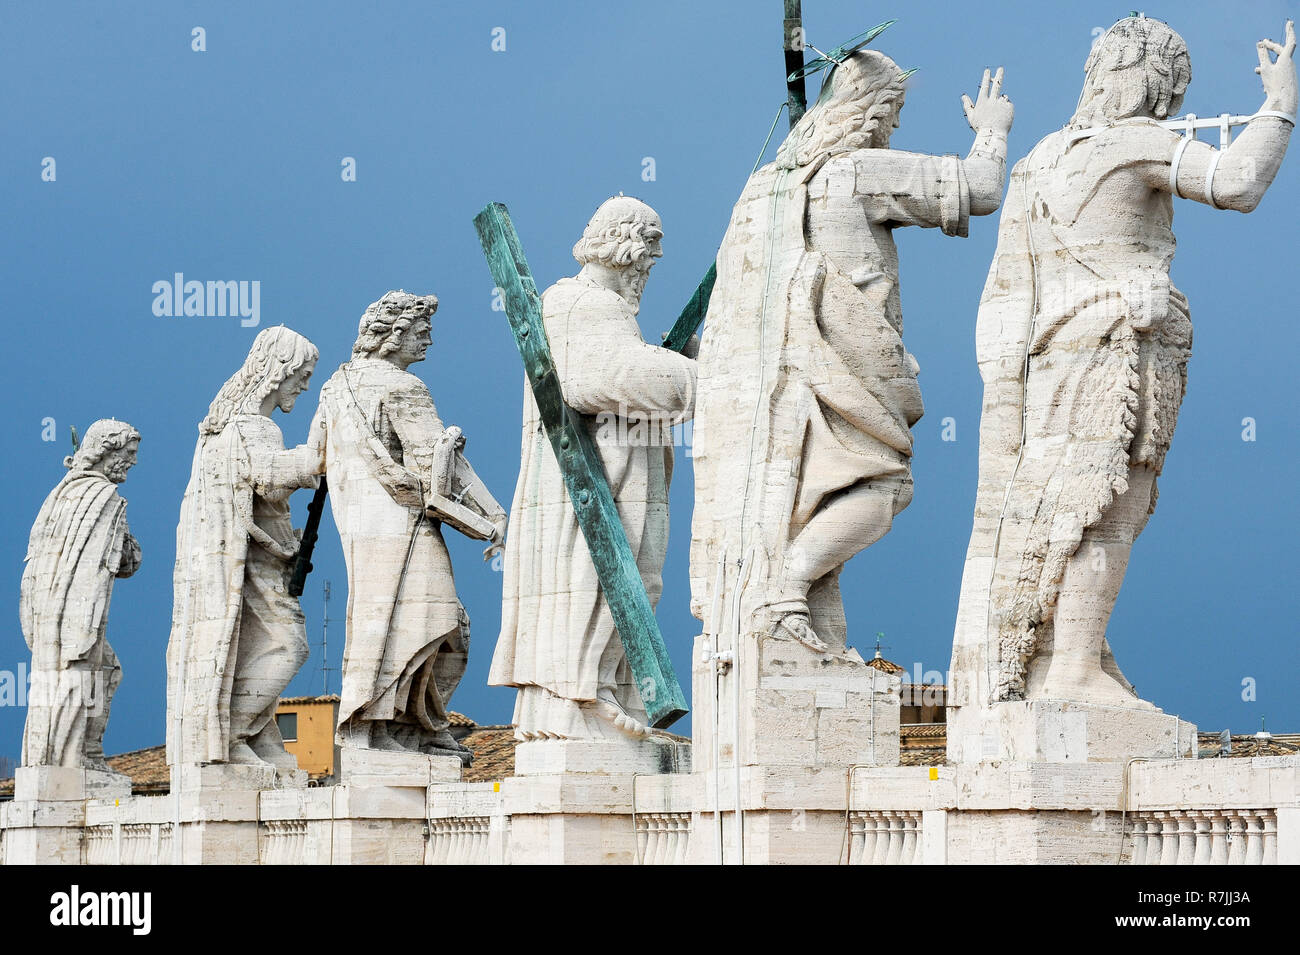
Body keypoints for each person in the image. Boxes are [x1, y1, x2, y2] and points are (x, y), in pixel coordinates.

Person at [949, 16, 1296, 708]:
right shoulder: (1140, 143)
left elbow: (1007, 291)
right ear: (1156, 84)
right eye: (1164, 82)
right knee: (1113, 501)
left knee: (1062, 503)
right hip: (1119, 350)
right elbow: (1236, 183)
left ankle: (1060, 658)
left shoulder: (1039, 159)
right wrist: (1281, 105)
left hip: (1048, 361)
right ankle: (1072, 668)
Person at [690, 49, 1012, 652]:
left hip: (772, 376)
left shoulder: (763, 189)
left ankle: (793, 603)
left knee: (806, 499)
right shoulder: (859, 171)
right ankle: (784, 589)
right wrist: (992, 131)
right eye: (894, 111)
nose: (894, 127)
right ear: (871, 110)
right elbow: (980, 189)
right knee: (887, 484)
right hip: (842, 362)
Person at [490, 197, 697, 740]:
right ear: (627, 247)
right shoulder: (579, 303)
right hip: (597, 482)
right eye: (649, 254)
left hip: (622, 474)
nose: (651, 267)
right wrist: (704, 378)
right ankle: (584, 694)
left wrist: (675, 358)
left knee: (636, 581)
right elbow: (604, 375)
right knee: (600, 582)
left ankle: (607, 690)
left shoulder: (597, 308)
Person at [312, 291, 505, 758]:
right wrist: (495, 515)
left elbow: (312, 460)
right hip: (405, 525)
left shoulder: (335, 388)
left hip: (357, 527)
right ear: (396, 335)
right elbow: (434, 468)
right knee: (445, 623)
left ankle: (392, 729)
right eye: (423, 333)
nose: (428, 342)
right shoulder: (404, 387)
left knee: (379, 622)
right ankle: (411, 727)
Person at [167, 326, 319, 772]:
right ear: (279, 372)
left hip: (248, 560)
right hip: (249, 566)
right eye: (303, 375)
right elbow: (270, 479)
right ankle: (233, 732)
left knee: (248, 648)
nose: (305, 385)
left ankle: (253, 733)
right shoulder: (254, 427)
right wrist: (320, 454)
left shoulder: (221, 429)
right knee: (290, 645)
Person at [21, 419, 141, 773]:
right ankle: (74, 760)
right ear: (109, 451)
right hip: (78, 616)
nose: (132, 462)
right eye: (129, 454)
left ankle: (75, 756)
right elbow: (123, 562)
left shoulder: (59, 495)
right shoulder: (103, 497)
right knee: (88, 675)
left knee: (103, 670)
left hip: (48, 613)